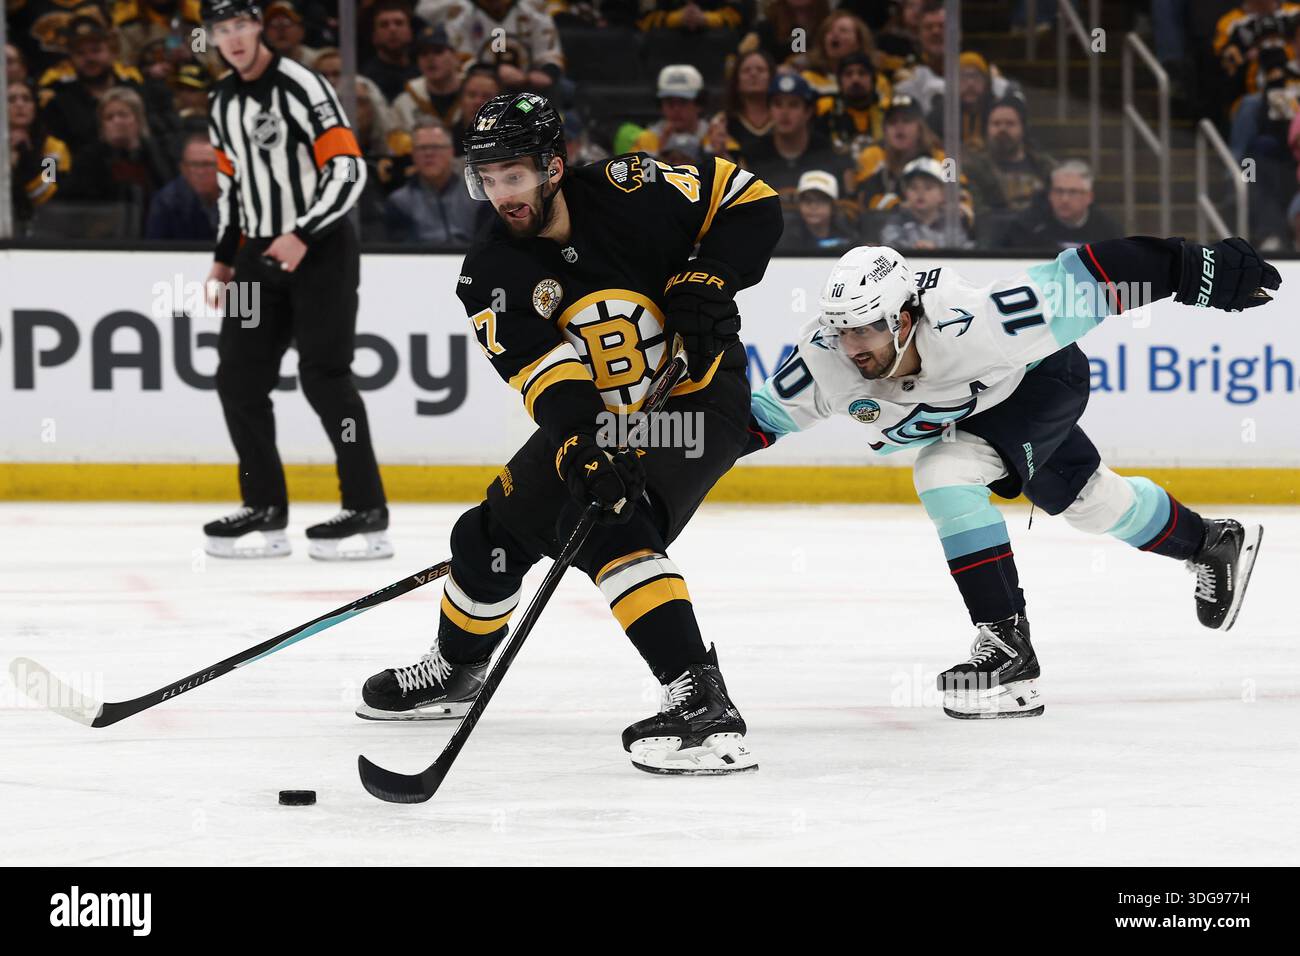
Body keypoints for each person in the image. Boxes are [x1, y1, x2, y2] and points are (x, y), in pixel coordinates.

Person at [357, 92, 784, 777]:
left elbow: (751, 197)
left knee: (616, 523)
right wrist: (581, 443)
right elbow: (547, 378)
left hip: (697, 404)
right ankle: (458, 668)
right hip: (604, 414)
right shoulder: (489, 272)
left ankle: (701, 701)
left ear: (554, 167)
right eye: (487, 179)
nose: (501, 195)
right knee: (485, 537)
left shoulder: (633, 190)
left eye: (515, 176)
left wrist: (712, 274)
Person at [746, 239, 1275, 717]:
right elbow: (752, 422)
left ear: (904, 319)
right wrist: (674, 441)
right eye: (842, 331)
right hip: (976, 410)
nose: (853, 347)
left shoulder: (978, 323)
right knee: (1089, 502)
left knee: (943, 472)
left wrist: (1194, 269)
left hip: (1041, 383)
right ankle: (1210, 541)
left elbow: (1087, 278)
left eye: (866, 328)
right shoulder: (827, 361)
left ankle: (1007, 646)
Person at [200, 0, 392, 561]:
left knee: (324, 376)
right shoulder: (220, 101)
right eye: (221, 29)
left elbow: (348, 167)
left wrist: (304, 233)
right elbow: (231, 187)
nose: (232, 38)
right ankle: (264, 506)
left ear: (259, 26)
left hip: (321, 249)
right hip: (258, 256)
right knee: (238, 379)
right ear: (211, 37)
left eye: (240, 25)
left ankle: (366, 507)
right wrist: (223, 259)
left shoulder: (301, 84)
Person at [62, 86, 174, 234]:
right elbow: (68, 196)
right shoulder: (84, 158)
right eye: (109, 117)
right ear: (102, 126)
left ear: (138, 119)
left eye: (123, 115)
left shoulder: (159, 154)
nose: (117, 121)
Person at [745, 72, 852, 201]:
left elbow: (845, 206)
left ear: (808, 112)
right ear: (769, 111)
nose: (784, 113)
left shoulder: (829, 153)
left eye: (793, 105)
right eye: (778, 104)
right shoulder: (752, 156)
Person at [384, 117, 486, 244]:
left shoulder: (477, 195)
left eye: (436, 147)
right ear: (413, 154)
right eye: (422, 148)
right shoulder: (399, 202)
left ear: (451, 151)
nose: (429, 154)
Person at [999, 160, 1120, 251]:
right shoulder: (1028, 227)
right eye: (1058, 191)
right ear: (1050, 195)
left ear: (1089, 197)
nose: (1064, 199)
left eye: (1073, 192)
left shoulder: (1107, 230)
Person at [962, 96, 1054, 215]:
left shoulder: (1045, 167)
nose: (1002, 129)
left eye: (1010, 124)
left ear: (1023, 128)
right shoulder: (972, 169)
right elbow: (978, 213)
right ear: (987, 129)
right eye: (996, 124)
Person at [7, 79, 72, 224]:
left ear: (35, 107)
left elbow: (46, 192)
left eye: (26, 99)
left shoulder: (53, 148)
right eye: (11, 99)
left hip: (44, 225)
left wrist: (25, 155)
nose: (19, 104)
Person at [879, 155, 972, 250]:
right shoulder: (897, 221)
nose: (920, 193)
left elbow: (965, 250)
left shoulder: (951, 223)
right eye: (913, 187)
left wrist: (936, 250)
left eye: (928, 187)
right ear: (905, 193)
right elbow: (889, 249)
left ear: (942, 194)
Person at [145, 132, 220, 239]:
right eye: (194, 165)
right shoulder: (166, 201)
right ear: (183, 169)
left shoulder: (241, 199)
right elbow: (155, 250)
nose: (200, 172)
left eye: (207, 164)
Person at [391, 24, 463, 130]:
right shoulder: (403, 104)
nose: (430, 59)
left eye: (438, 51)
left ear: (455, 56)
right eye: (424, 54)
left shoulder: (476, 96)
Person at [631, 64, 710, 156]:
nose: (676, 109)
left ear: (699, 104)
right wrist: (659, 150)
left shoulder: (714, 136)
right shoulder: (647, 139)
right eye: (670, 103)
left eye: (683, 102)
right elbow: (636, 169)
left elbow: (728, 169)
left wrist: (719, 153)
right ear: (661, 105)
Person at [776, 169, 859, 253]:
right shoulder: (785, 237)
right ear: (799, 204)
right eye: (807, 200)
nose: (813, 207)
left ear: (833, 206)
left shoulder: (847, 234)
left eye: (821, 200)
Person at [361, 0, 420, 102]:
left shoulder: (423, 70)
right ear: (374, 36)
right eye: (384, 25)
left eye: (399, 23)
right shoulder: (367, 81)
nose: (392, 29)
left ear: (410, 32)